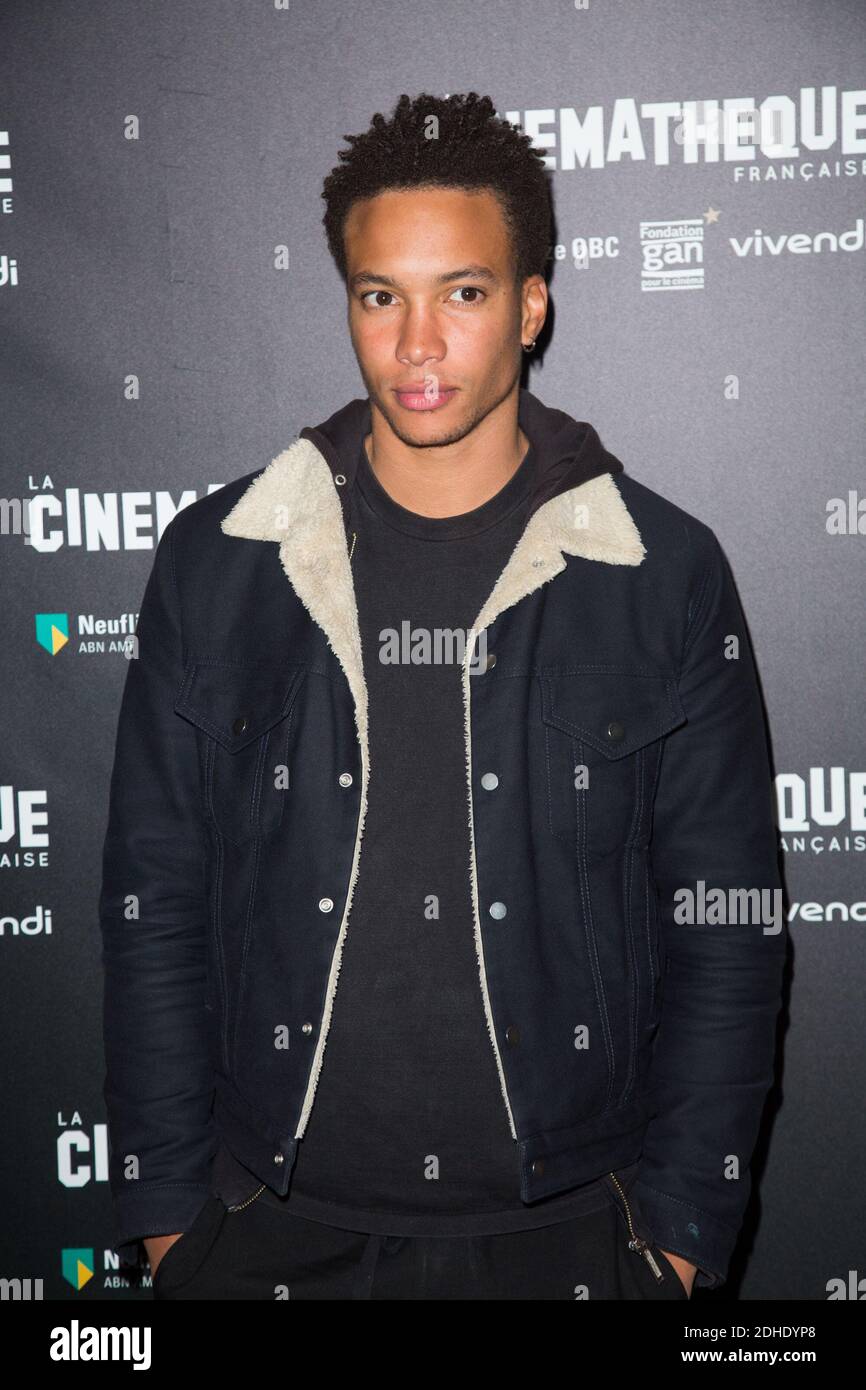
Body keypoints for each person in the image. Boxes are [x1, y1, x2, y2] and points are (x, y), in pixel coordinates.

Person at [99, 91, 786, 1301]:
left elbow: (724, 933)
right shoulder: (222, 559)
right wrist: (168, 1221)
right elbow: (155, 901)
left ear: (530, 305)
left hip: (570, 1242)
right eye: (381, 296)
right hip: (264, 1233)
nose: (417, 345)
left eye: (462, 293)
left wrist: (673, 1241)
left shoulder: (660, 572)